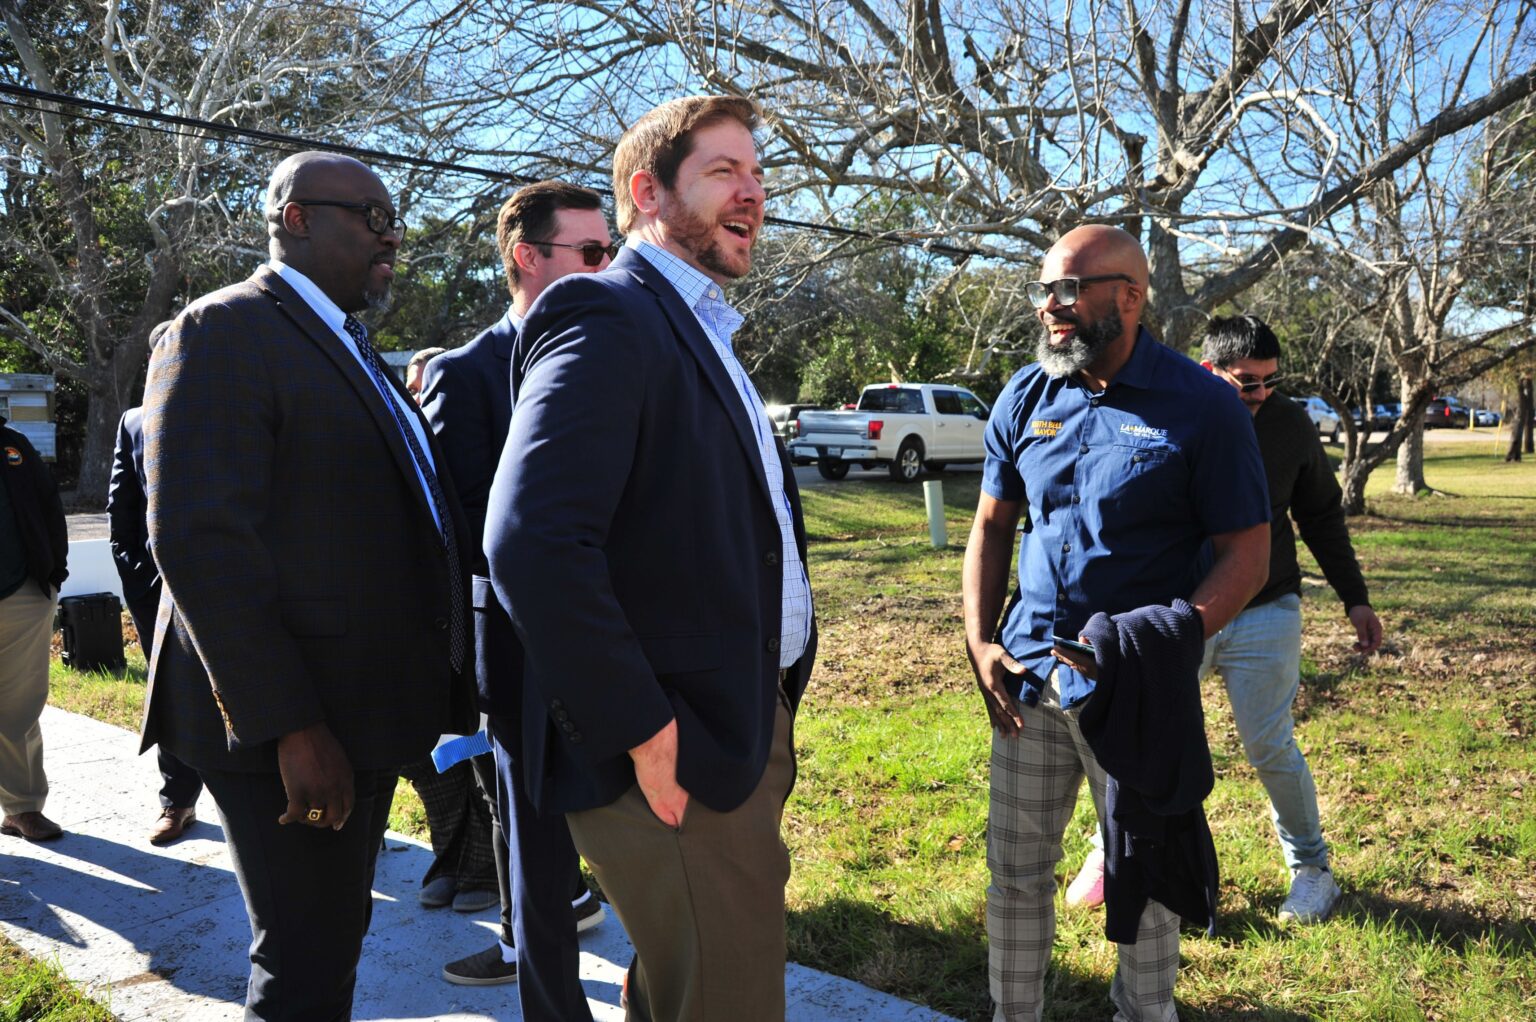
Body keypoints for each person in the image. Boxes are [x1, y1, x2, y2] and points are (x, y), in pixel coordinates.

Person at [485, 96, 816, 1022]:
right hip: (672, 750)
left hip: (737, 722)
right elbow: (531, 537)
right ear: (646, 193)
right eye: (723, 173)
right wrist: (645, 730)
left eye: (757, 174)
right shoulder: (606, 308)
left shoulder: (700, 325)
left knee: (685, 988)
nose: (752, 193)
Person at [141, 151, 476, 1019]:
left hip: (359, 711)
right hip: (286, 725)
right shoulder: (220, 330)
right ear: (296, 218)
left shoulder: (344, 341)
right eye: (371, 215)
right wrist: (292, 726)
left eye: (392, 216)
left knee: (332, 941)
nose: (392, 232)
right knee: (304, 964)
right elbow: (199, 540)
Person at [963, 225, 1271, 1021]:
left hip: (1137, 688)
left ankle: (1145, 1012)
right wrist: (979, 638)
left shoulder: (1203, 406)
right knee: (1018, 871)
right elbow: (993, 526)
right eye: (1042, 290)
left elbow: (1247, 555)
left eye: (1067, 289)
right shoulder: (1028, 394)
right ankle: (1013, 1012)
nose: (1049, 308)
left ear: (1128, 297)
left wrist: (1171, 641)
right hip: (1028, 680)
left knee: (1147, 872)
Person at [1063, 315, 1381, 926]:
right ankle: (1117, 850)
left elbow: (1320, 516)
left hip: (1266, 608)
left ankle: (1312, 869)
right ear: (1209, 369)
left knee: (1269, 743)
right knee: (1142, 736)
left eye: (1270, 382)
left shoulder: (1288, 424)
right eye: (1247, 383)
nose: (1261, 395)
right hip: (1180, 613)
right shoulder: (1172, 409)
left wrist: (1355, 598)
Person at [419, 180, 613, 1000]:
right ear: (527, 258)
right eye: (595, 254)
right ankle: (542, 977)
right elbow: (458, 532)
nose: (611, 270)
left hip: (633, 643)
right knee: (530, 843)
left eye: (615, 253)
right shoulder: (467, 376)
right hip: (528, 659)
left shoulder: (623, 352)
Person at [108, 370, 204, 845]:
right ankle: (178, 802)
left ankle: (263, 802)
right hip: (157, 596)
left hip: (227, 586)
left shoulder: (230, 410)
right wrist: (144, 588)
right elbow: (121, 512)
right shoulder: (133, 422)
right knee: (172, 697)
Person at [0, 409, 68, 843]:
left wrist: (51, 574)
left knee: (18, 708)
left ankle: (22, 807)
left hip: (22, 595)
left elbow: (49, 507)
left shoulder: (14, 446)